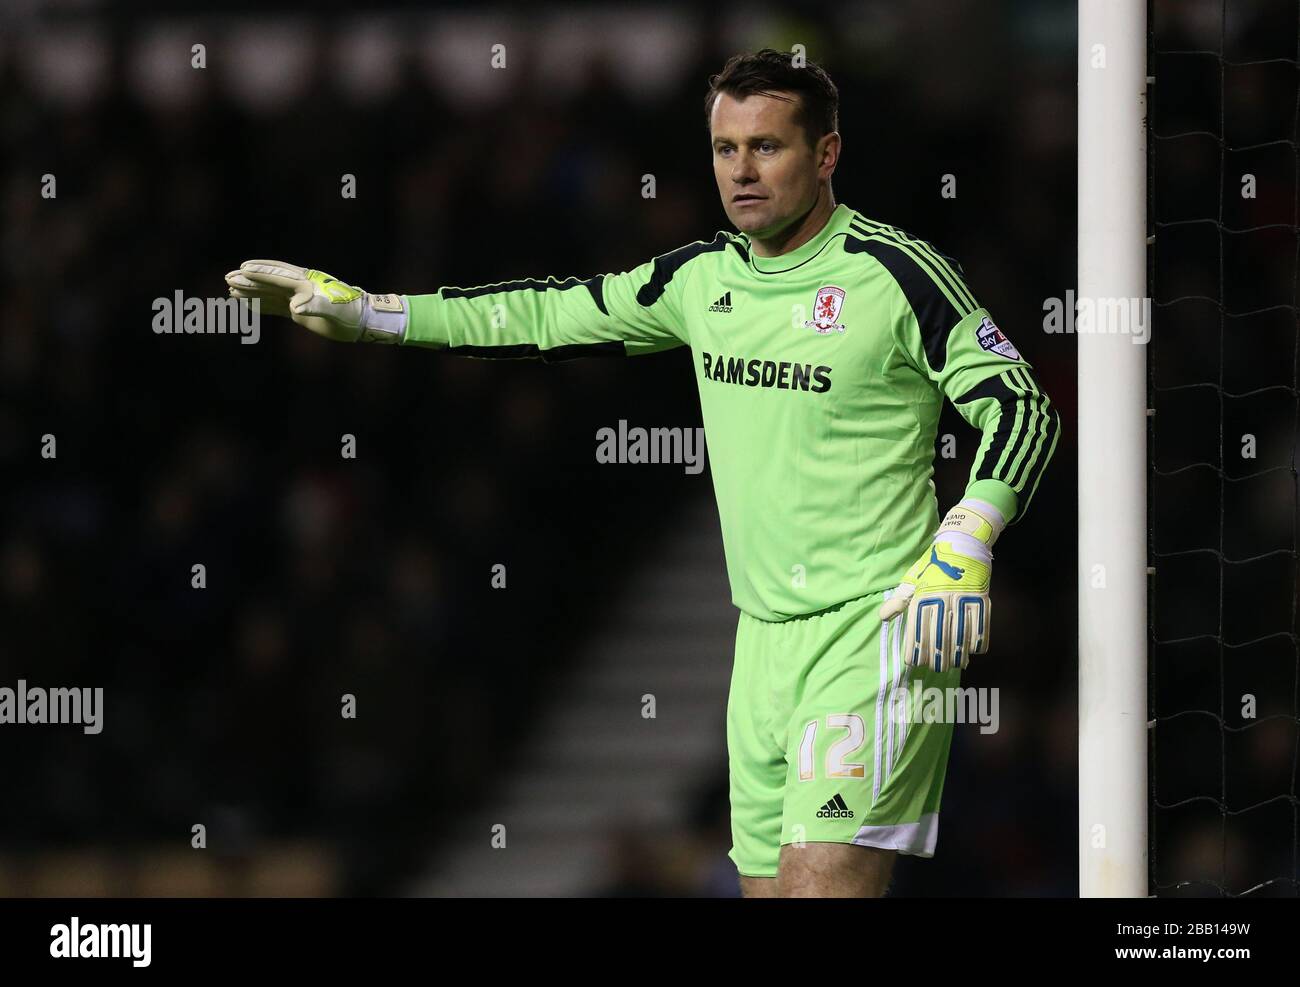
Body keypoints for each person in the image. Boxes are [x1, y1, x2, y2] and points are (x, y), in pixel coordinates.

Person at [226, 48, 1061, 898]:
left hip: (876, 626)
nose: (742, 171)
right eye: (725, 149)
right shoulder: (699, 281)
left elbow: (1021, 405)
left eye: (767, 147)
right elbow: (546, 312)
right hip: (762, 641)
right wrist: (374, 314)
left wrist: (967, 536)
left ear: (827, 155)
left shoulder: (896, 277)